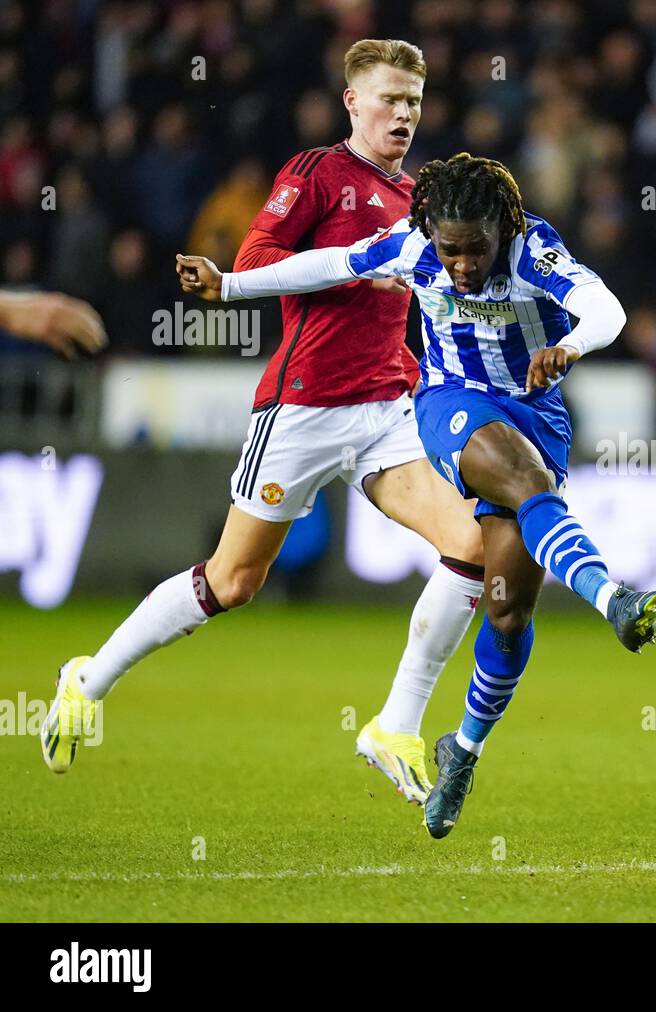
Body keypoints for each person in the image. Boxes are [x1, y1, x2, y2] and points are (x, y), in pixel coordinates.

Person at [40, 40, 485, 809]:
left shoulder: (417, 194)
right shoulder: (315, 175)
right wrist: (344, 261)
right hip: (306, 406)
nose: (403, 113)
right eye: (388, 98)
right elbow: (255, 251)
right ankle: (91, 676)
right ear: (353, 102)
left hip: (386, 408)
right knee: (233, 581)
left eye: (413, 101)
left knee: (473, 545)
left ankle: (394, 724)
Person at [177, 152, 656, 840]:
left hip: (538, 418)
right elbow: (328, 264)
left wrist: (574, 345)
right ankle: (610, 597)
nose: (462, 265)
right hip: (449, 406)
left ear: (504, 228)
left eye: (475, 250)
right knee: (523, 482)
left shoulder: (535, 250)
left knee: (506, 612)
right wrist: (230, 285)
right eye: (450, 251)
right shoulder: (413, 246)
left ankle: (463, 750)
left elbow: (605, 308)